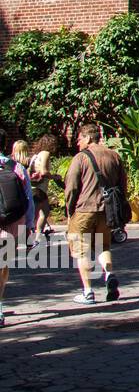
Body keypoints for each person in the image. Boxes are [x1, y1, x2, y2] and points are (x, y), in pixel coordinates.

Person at [62, 123, 125, 305]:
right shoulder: (114, 156)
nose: (78, 143)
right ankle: (109, 274)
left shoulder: (80, 158)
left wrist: (70, 209)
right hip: (106, 211)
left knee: (81, 250)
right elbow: (122, 186)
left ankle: (88, 291)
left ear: (89, 138)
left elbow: (72, 187)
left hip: (83, 209)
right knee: (103, 246)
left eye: (80, 138)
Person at [0, 135, 36, 325]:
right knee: (3, 266)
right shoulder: (17, 168)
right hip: (13, 225)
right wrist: (29, 227)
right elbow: (28, 200)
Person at [28, 134, 57, 241]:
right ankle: (36, 237)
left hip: (34, 187)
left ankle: (36, 235)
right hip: (39, 188)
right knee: (42, 213)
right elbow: (44, 171)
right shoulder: (45, 153)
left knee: (42, 212)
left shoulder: (36, 155)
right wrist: (55, 177)